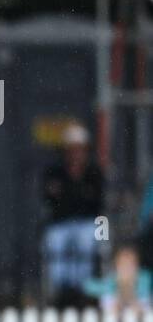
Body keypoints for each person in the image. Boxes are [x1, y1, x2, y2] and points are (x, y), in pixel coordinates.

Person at [42, 123, 105, 307]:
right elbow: (51, 200)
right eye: (72, 149)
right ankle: (60, 289)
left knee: (86, 240)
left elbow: (97, 203)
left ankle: (82, 289)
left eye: (80, 149)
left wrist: (70, 194)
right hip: (61, 223)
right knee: (55, 241)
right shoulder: (55, 172)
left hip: (88, 223)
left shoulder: (94, 172)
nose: (76, 154)